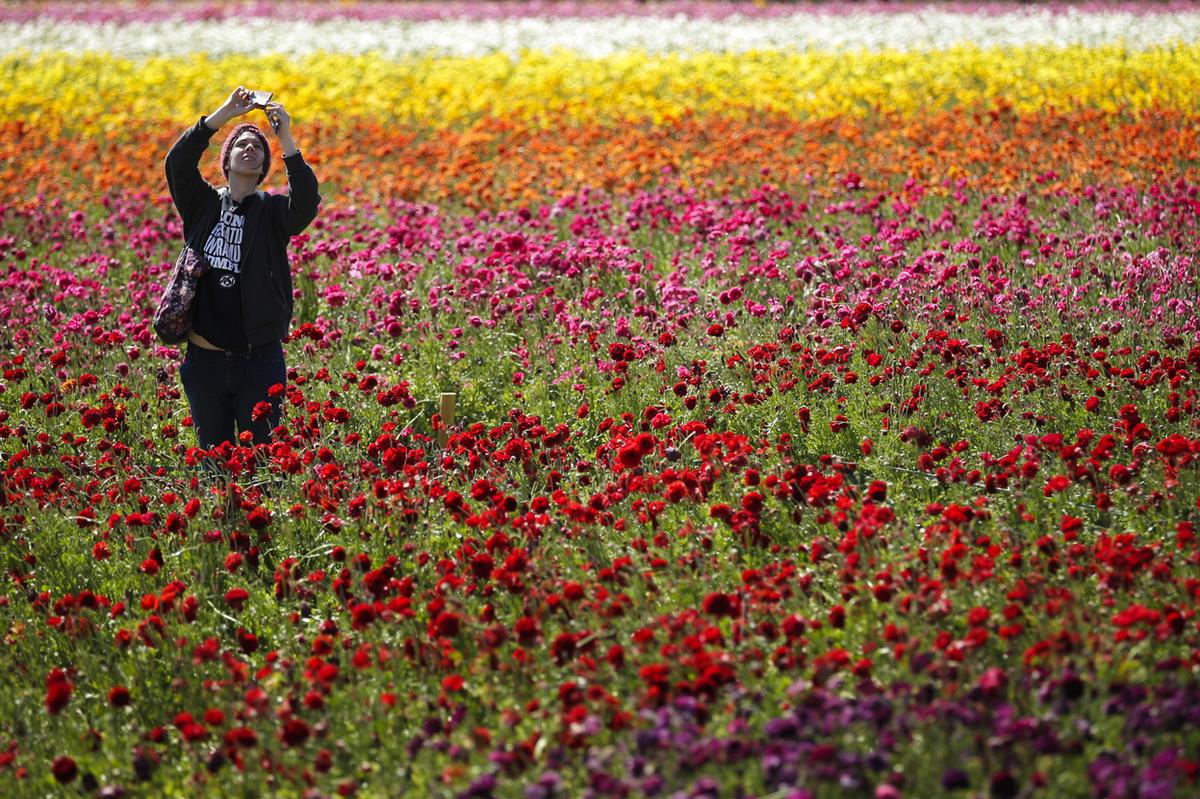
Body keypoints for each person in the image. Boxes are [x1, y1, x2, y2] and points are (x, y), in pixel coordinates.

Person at [165, 87, 320, 450]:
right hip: (205, 360)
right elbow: (177, 162)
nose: (250, 149)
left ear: (265, 166)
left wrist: (286, 137)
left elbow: (307, 204)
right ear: (227, 159)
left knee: (263, 460)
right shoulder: (200, 204)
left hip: (259, 360)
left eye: (258, 147)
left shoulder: (273, 213)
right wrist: (223, 115)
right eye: (241, 144)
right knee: (213, 462)